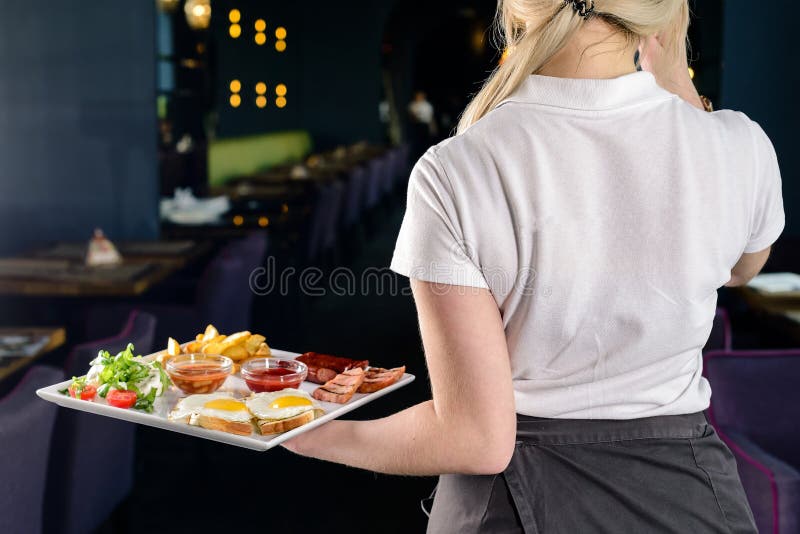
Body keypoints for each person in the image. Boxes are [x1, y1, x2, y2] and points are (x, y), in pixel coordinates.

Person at [284, 1, 784, 532]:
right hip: (689, 498)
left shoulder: (455, 170)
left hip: (511, 508)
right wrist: (685, 94)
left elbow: (475, 440)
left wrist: (307, 430)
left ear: (516, 12)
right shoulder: (739, 145)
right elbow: (743, 269)